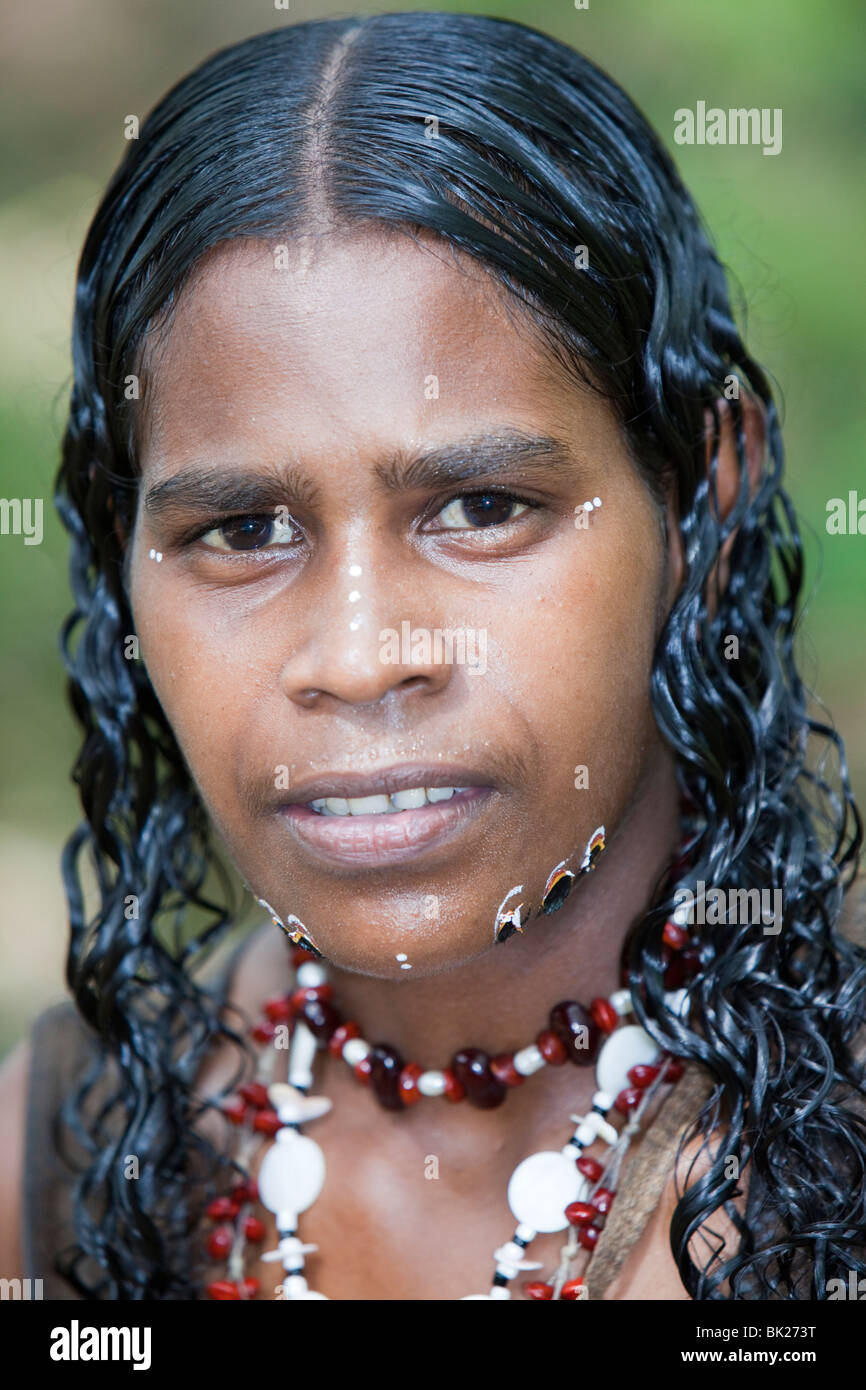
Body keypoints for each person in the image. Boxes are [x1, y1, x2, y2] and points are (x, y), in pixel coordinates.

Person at [1, 11, 864, 1302]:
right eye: (241, 529)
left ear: (703, 498)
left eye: (479, 508)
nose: (358, 657)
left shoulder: (823, 1153)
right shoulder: (55, 1165)